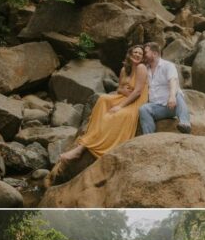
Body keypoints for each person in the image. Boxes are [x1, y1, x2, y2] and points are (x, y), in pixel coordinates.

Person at [51, 44, 149, 177]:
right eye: (135, 52)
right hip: (125, 96)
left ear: (142, 58)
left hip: (136, 101)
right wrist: (122, 91)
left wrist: (120, 106)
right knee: (102, 99)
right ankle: (93, 131)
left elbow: (138, 91)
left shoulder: (141, 68)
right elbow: (119, 88)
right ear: (130, 54)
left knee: (111, 117)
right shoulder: (124, 69)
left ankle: (81, 148)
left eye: (140, 54)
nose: (137, 55)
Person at [138, 41, 191, 135]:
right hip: (157, 108)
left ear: (154, 53)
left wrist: (172, 97)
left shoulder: (168, 66)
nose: (144, 55)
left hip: (172, 105)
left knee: (177, 94)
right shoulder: (146, 69)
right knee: (143, 109)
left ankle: (185, 123)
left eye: (146, 52)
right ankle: (148, 136)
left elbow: (173, 81)